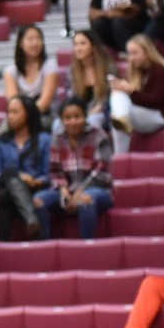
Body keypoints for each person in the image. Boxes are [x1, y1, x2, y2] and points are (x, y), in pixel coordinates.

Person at [36, 98, 114, 241]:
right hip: (67, 191)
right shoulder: (57, 138)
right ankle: (44, 245)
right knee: (38, 200)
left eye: (77, 117)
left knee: (85, 200)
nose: (73, 121)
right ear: (61, 120)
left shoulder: (98, 135)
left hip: (97, 190)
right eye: (68, 118)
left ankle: (86, 247)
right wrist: (62, 189)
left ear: (85, 117)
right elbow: (54, 170)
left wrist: (80, 191)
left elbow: (101, 172)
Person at [0, 96, 51, 241]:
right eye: (8, 112)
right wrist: (18, 176)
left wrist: (36, 181)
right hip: (8, 188)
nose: (9, 117)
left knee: (4, 196)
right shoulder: (2, 141)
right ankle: (31, 219)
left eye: (15, 112)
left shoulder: (44, 139)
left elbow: (49, 172)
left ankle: (1, 243)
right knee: (8, 180)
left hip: (35, 188)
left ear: (28, 113)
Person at [109, 34, 164, 151]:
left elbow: (156, 101)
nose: (131, 58)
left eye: (135, 53)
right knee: (118, 101)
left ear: (147, 52)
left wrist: (130, 91)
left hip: (160, 116)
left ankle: (120, 154)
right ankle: (121, 120)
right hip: (141, 113)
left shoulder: (159, 70)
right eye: (129, 53)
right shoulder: (135, 71)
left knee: (120, 112)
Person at [63, 28, 124, 139]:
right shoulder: (70, 72)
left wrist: (95, 110)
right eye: (75, 44)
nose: (78, 48)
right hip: (78, 114)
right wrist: (80, 115)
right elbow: (70, 99)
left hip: (103, 112)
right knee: (58, 125)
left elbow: (110, 97)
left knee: (93, 122)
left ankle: (95, 155)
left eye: (82, 44)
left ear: (93, 46)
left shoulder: (108, 67)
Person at [3, 25, 59, 117]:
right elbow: (13, 101)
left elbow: (45, 103)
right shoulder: (10, 71)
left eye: (38, 39)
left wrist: (26, 119)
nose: (35, 43)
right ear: (20, 43)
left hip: (46, 115)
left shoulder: (50, 66)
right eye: (30, 39)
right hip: (19, 116)